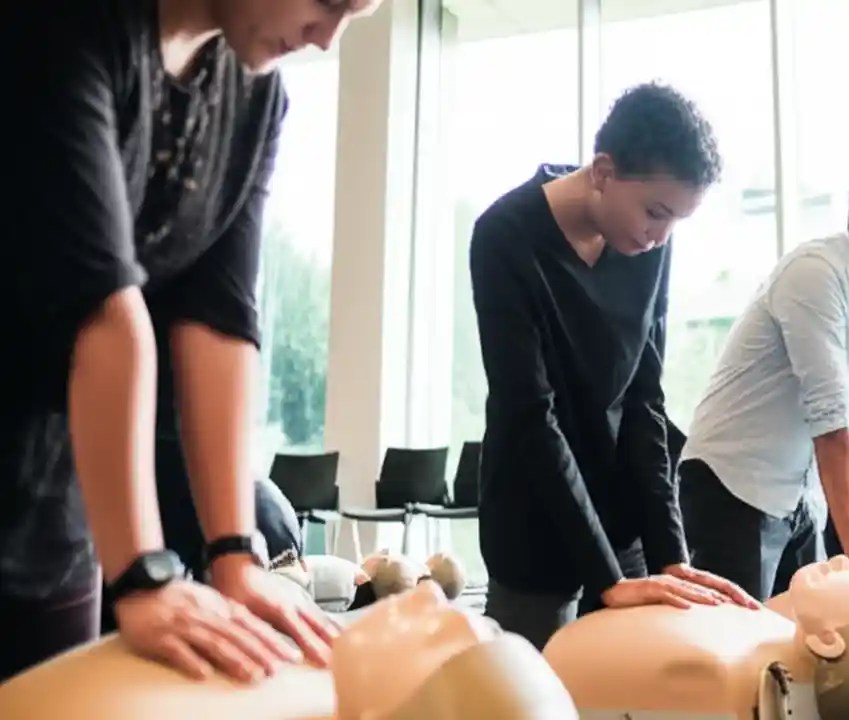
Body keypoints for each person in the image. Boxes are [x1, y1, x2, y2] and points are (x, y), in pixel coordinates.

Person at [0, 0, 379, 684]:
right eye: (328, 3)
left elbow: (220, 319)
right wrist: (144, 573)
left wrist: (236, 554)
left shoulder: (254, 93)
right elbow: (105, 309)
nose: (328, 40)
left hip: (54, 509)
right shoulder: (60, 27)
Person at [470, 82, 758, 652]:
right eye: (655, 213)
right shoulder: (504, 236)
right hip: (533, 523)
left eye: (676, 220)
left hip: (622, 522)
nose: (660, 237)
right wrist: (610, 581)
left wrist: (670, 557)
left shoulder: (648, 245)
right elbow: (529, 414)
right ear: (602, 171)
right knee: (526, 699)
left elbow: (644, 399)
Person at [677, 159, 849, 607]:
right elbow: (831, 415)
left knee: (808, 650)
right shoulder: (815, 273)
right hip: (735, 487)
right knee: (741, 654)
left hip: (801, 500)